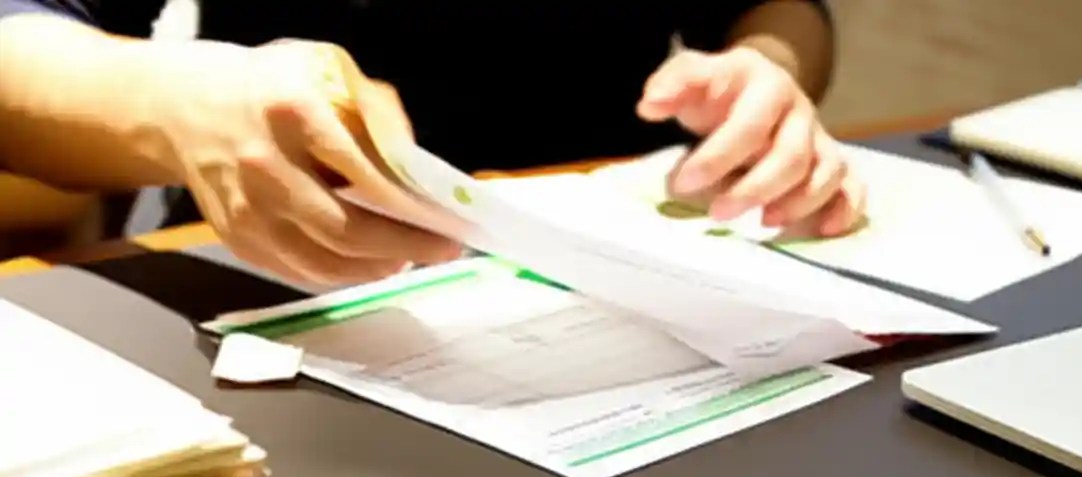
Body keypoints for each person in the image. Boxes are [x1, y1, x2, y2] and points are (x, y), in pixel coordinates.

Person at [0, 1, 865, 285]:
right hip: (281, 261)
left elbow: (784, 10)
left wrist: (765, 69)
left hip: (622, 254)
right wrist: (169, 99)